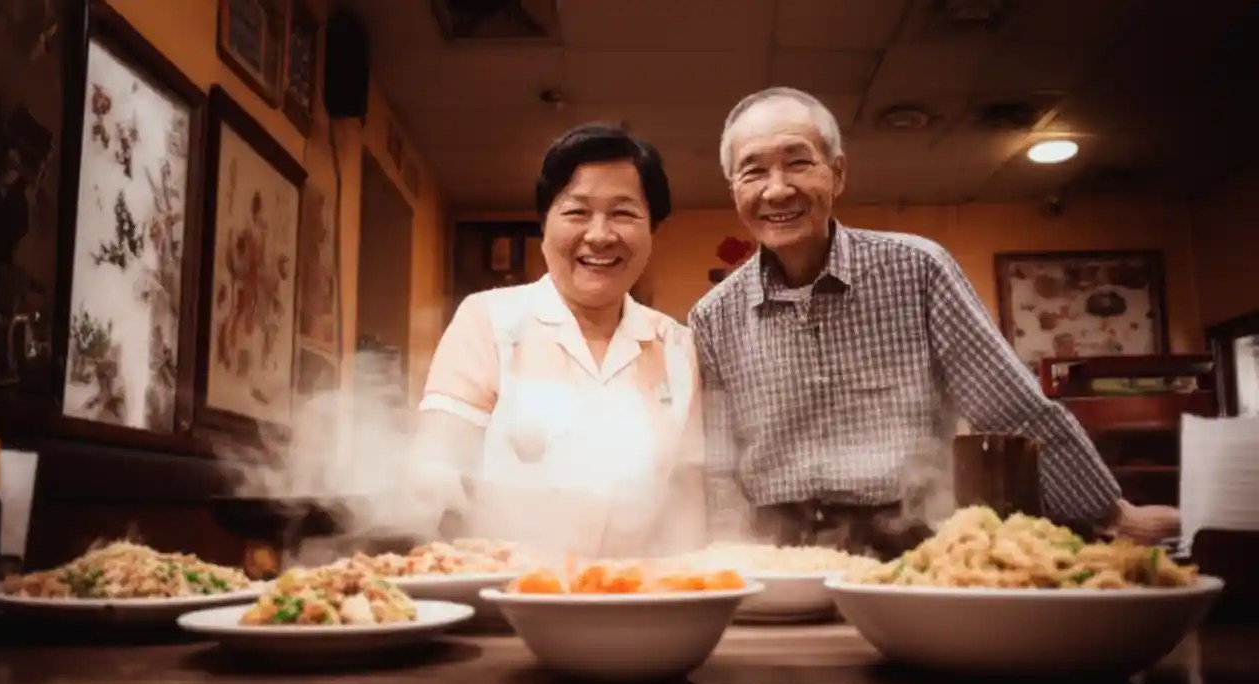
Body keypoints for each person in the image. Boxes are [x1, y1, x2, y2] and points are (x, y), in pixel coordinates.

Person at [689, 87, 1179, 558]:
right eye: (753, 172)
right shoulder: (712, 317)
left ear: (837, 174)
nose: (777, 189)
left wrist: (1108, 515)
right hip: (780, 552)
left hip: (915, 539)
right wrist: (731, 563)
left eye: (799, 162)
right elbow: (719, 469)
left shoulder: (918, 269)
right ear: (734, 190)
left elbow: (1010, 408)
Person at [414, 124, 704, 558]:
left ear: (652, 231)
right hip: (506, 599)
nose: (600, 234)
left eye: (624, 213)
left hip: (630, 600)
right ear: (545, 223)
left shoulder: (677, 346)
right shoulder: (490, 321)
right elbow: (435, 473)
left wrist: (692, 592)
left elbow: (685, 502)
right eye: (577, 212)